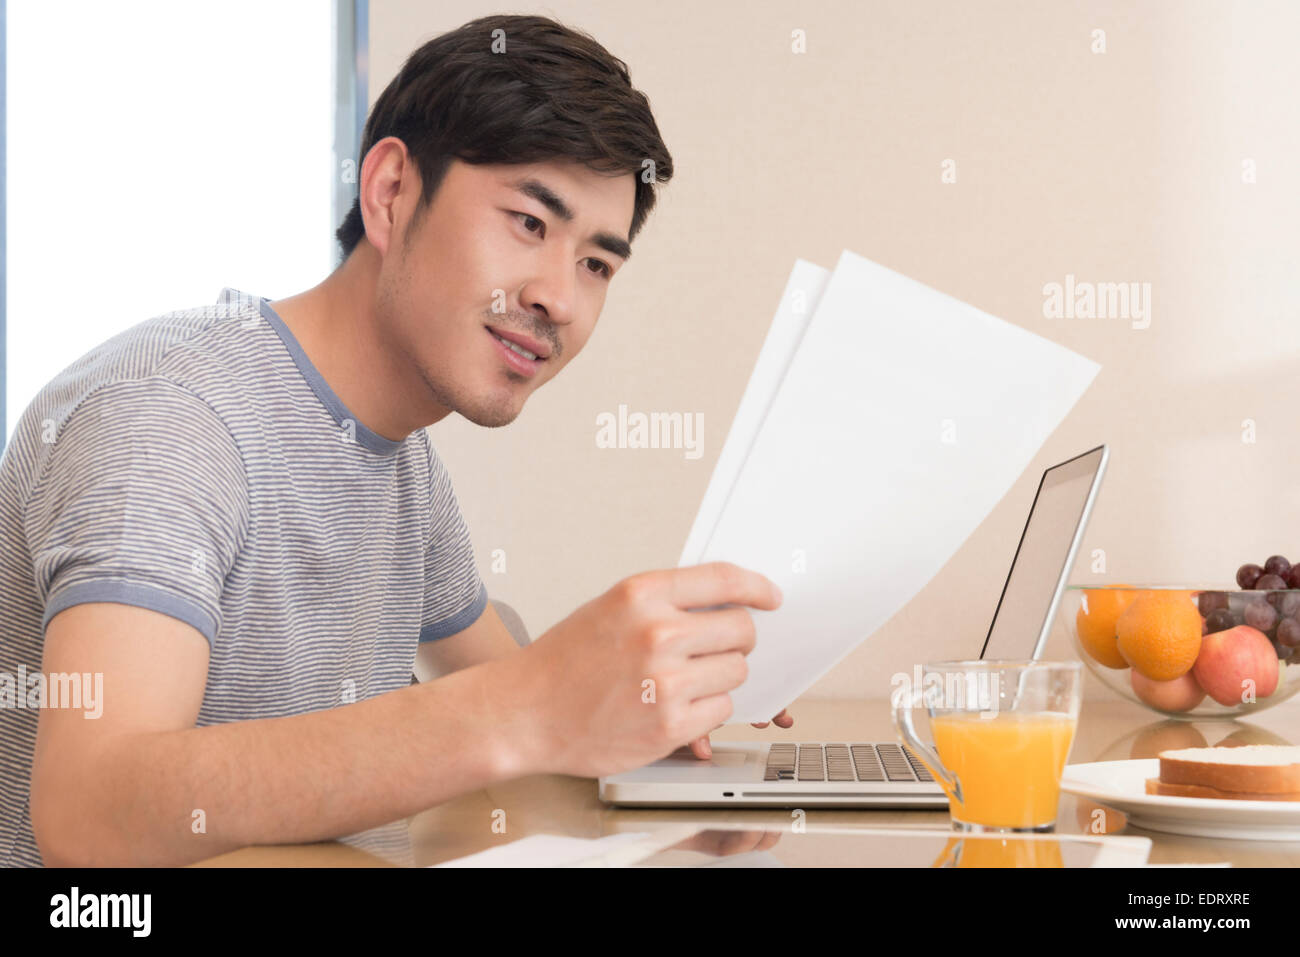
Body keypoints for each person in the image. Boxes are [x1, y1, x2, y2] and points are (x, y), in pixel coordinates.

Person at [0, 12, 790, 868]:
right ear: (389, 193)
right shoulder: (170, 417)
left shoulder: (402, 461)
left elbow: (501, 688)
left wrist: (649, 740)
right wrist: (526, 706)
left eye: (597, 263)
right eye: (529, 222)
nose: (560, 297)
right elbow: (88, 815)